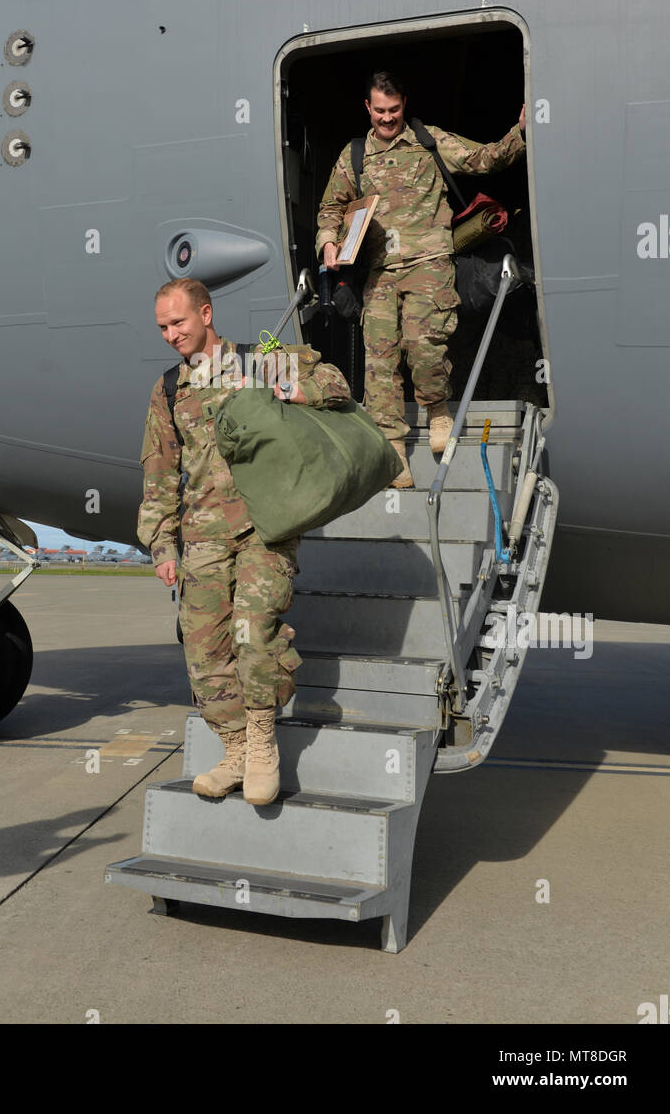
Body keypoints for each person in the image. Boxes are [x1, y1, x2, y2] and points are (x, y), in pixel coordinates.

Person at [136, 278, 351, 806]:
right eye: (163, 327)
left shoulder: (259, 360)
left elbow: (336, 382)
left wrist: (300, 389)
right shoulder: (168, 390)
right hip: (202, 536)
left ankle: (260, 747)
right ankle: (232, 749)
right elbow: (160, 475)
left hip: (264, 527)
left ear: (206, 314)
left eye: (179, 323)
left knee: (254, 633)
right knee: (203, 651)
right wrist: (162, 546)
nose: (171, 334)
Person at [316, 71, 526, 487]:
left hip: (429, 263)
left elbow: (483, 159)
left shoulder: (427, 141)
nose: (387, 119)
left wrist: (519, 133)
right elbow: (330, 208)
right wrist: (327, 242)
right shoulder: (354, 156)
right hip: (378, 270)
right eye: (379, 111)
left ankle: (436, 411)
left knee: (424, 345)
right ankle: (392, 448)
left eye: (394, 111)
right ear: (367, 108)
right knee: (380, 360)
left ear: (404, 105)